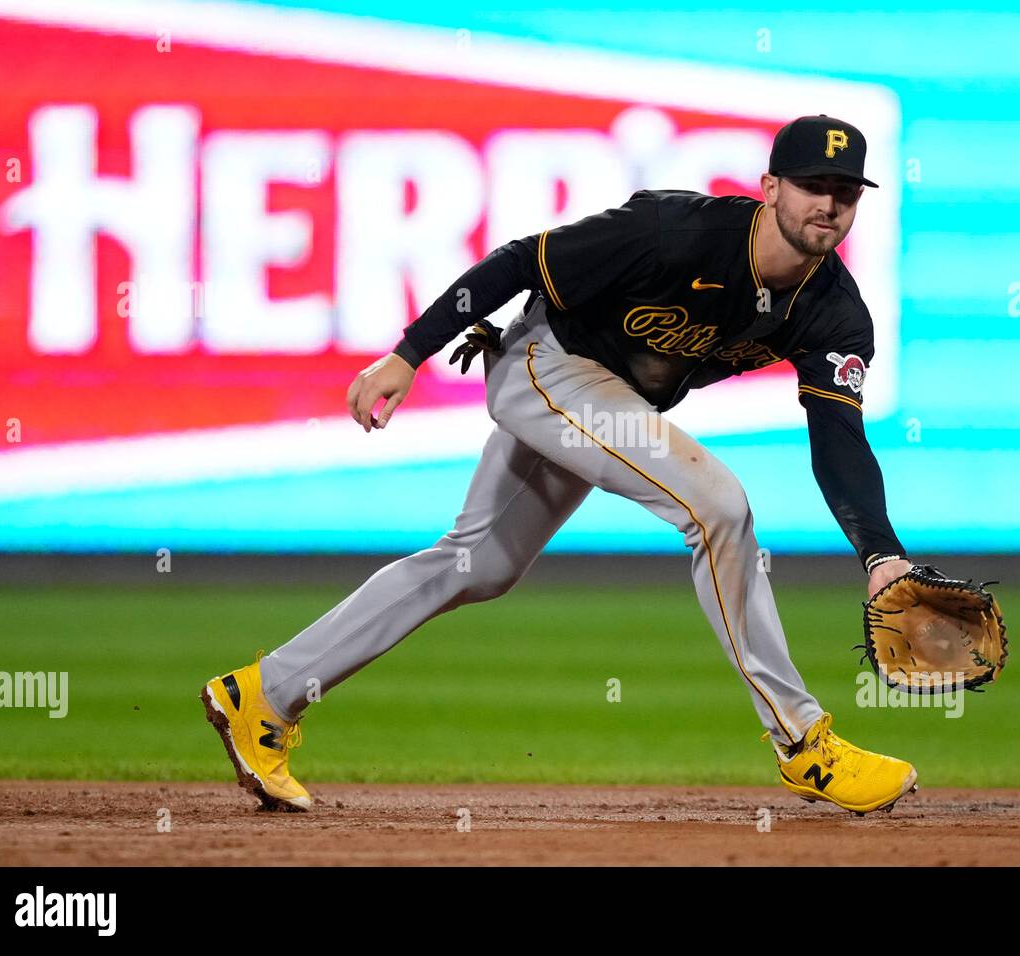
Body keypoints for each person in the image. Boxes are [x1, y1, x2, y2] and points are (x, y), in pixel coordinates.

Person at [201, 115, 917, 816]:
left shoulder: (834, 312)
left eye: (845, 191)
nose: (827, 204)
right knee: (718, 506)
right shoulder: (679, 235)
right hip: (549, 363)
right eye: (811, 184)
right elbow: (520, 259)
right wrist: (408, 353)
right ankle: (802, 742)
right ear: (770, 186)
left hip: (604, 399)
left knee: (475, 564)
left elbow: (839, 437)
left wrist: (881, 553)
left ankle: (263, 695)